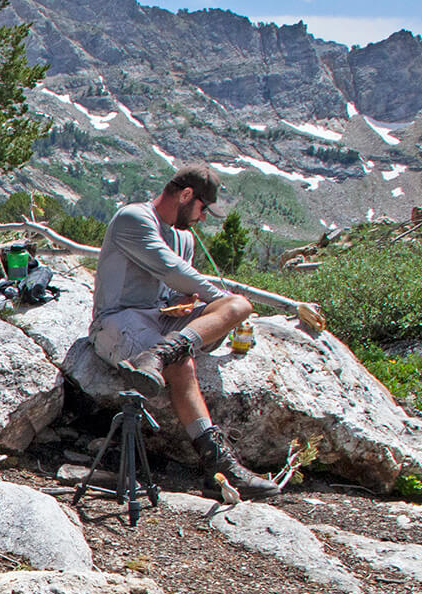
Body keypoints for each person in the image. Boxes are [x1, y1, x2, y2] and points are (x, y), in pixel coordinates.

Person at [89, 165, 279, 499]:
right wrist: (214, 299)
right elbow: (169, 268)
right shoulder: (134, 218)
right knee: (184, 363)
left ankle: (161, 354)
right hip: (117, 320)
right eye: (203, 208)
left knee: (240, 307)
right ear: (186, 195)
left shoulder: (184, 237)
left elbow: (174, 288)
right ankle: (218, 465)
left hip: (160, 321)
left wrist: (192, 301)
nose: (202, 217)